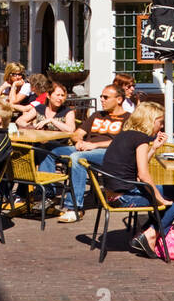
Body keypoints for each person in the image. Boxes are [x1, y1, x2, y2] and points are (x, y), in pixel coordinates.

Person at [96, 101, 174, 258]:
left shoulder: (125, 135)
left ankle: (147, 231)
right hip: (125, 196)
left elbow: (136, 167)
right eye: (160, 122)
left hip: (113, 194)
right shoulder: (140, 138)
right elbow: (143, 175)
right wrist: (159, 199)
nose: (161, 126)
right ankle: (152, 233)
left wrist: (153, 149)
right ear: (150, 120)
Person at [38, 83, 128, 222]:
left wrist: (94, 145)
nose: (102, 100)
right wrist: (78, 141)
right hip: (86, 148)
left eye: (106, 97)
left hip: (108, 153)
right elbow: (76, 133)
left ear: (119, 99)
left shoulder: (128, 118)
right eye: (101, 97)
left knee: (76, 157)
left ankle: (74, 207)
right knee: (48, 148)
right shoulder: (97, 115)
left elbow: (123, 142)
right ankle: (48, 196)